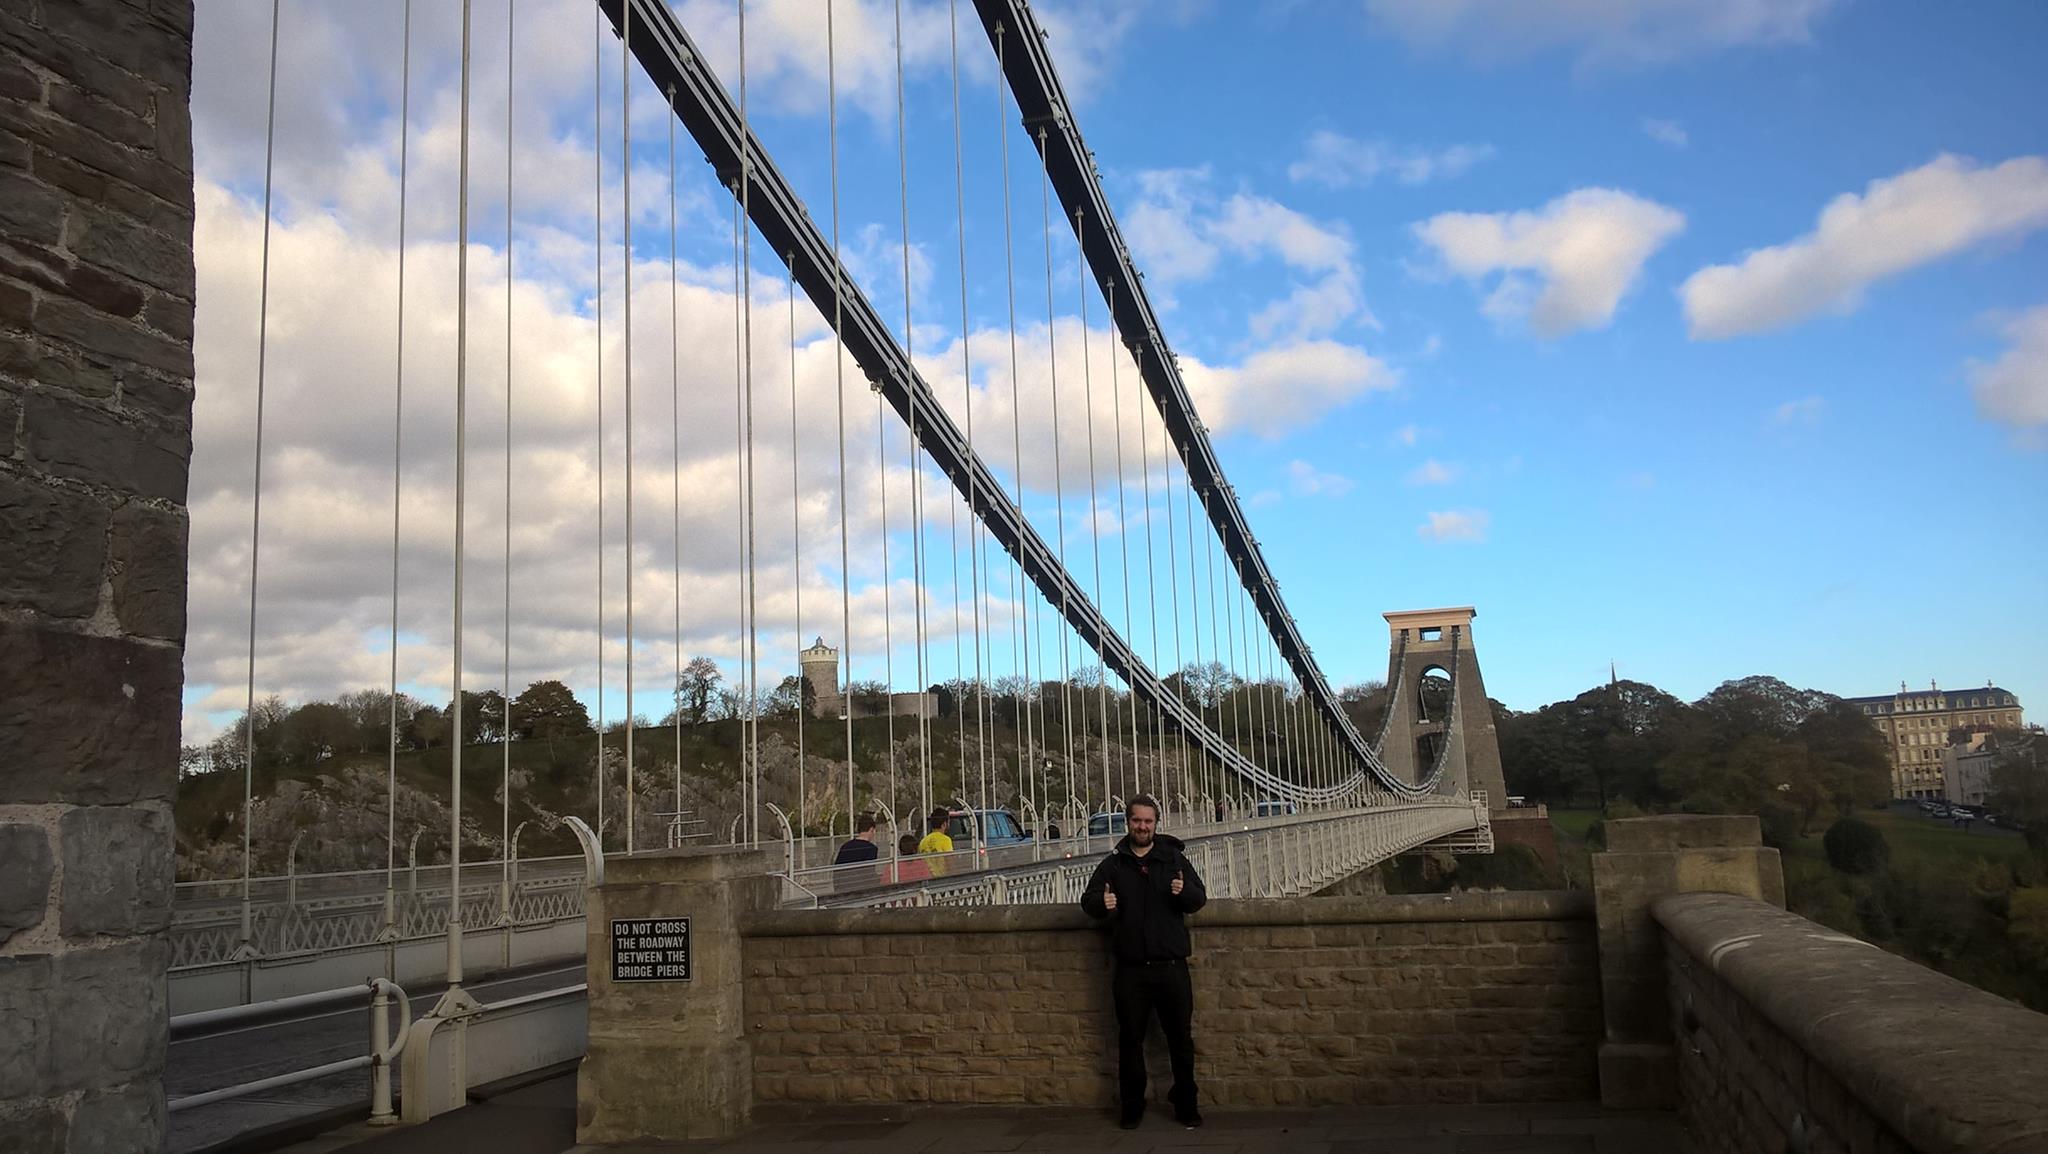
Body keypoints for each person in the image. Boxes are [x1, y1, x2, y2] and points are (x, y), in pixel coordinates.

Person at [1079, 794, 1207, 1131]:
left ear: (1156, 824)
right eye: (1137, 820)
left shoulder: (1174, 860)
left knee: (1180, 1040)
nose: (1142, 827)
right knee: (1130, 1040)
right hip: (1131, 970)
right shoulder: (1114, 865)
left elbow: (1199, 899)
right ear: (1128, 822)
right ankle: (1132, 1108)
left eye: (1148, 821)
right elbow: (1088, 901)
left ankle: (1187, 1105)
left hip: (1171, 967)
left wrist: (1183, 892)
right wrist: (1102, 903)